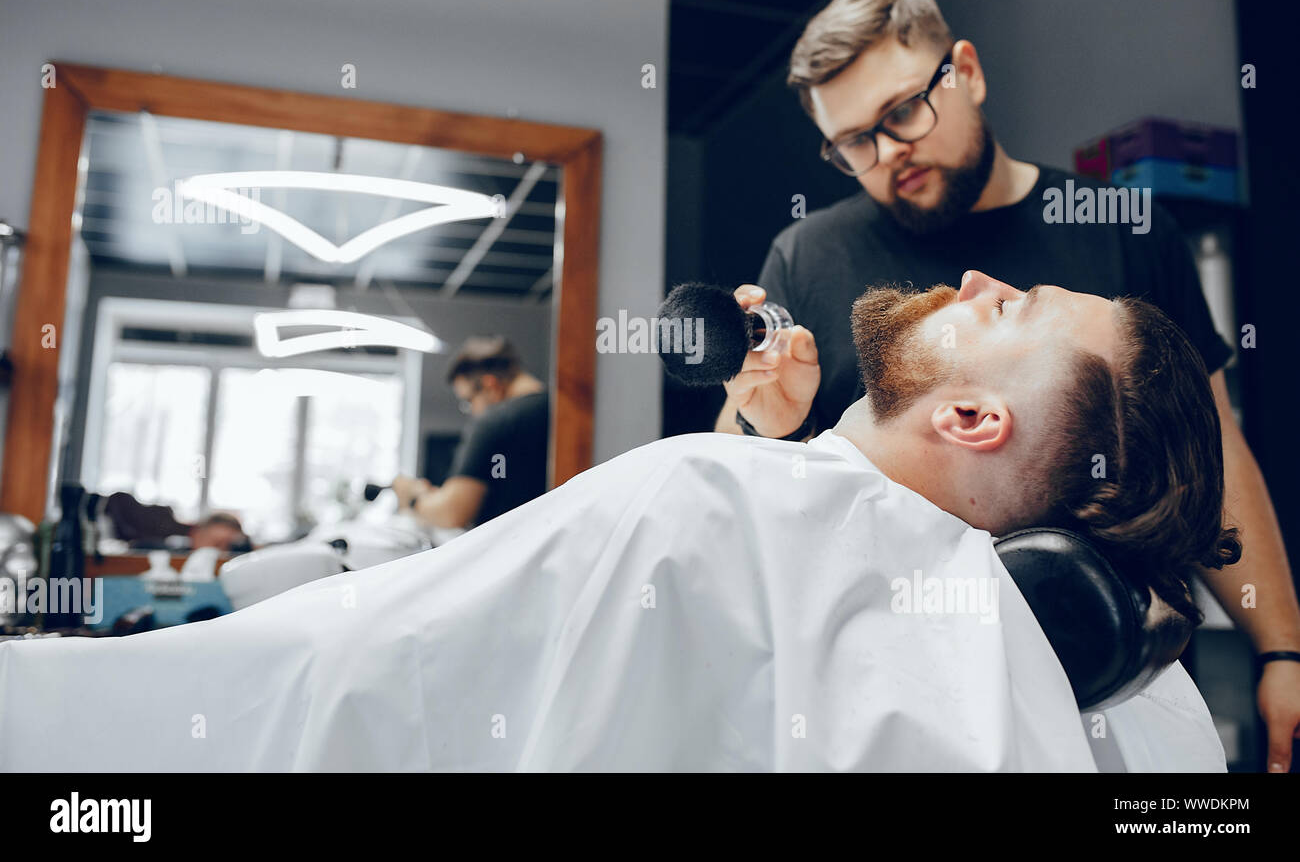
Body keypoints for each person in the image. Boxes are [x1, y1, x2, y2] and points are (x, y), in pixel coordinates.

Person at [0, 277, 1237, 771]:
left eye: (1009, 303)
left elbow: (346, 681)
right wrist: (772, 447)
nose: (973, 281)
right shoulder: (982, 622)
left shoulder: (713, 496)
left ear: (971, 415)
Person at [714, 0, 1300, 771]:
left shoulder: (1119, 230)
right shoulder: (808, 257)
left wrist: (1282, 651)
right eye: (855, 142)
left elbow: (1211, 444)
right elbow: (749, 471)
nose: (888, 155)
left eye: (901, 114)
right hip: (901, 705)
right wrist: (766, 423)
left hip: (1113, 688)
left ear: (966, 72)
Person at [392, 336, 549, 530]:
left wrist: (413, 498)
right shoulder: (560, 414)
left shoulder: (495, 421)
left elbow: (452, 513)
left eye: (468, 401)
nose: (472, 411)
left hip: (507, 551)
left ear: (490, 384)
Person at [102, 492, 248, 552]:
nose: (216, 551)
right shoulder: (162, 519)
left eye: (224, 546)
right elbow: (119, 499)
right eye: (218, 543)